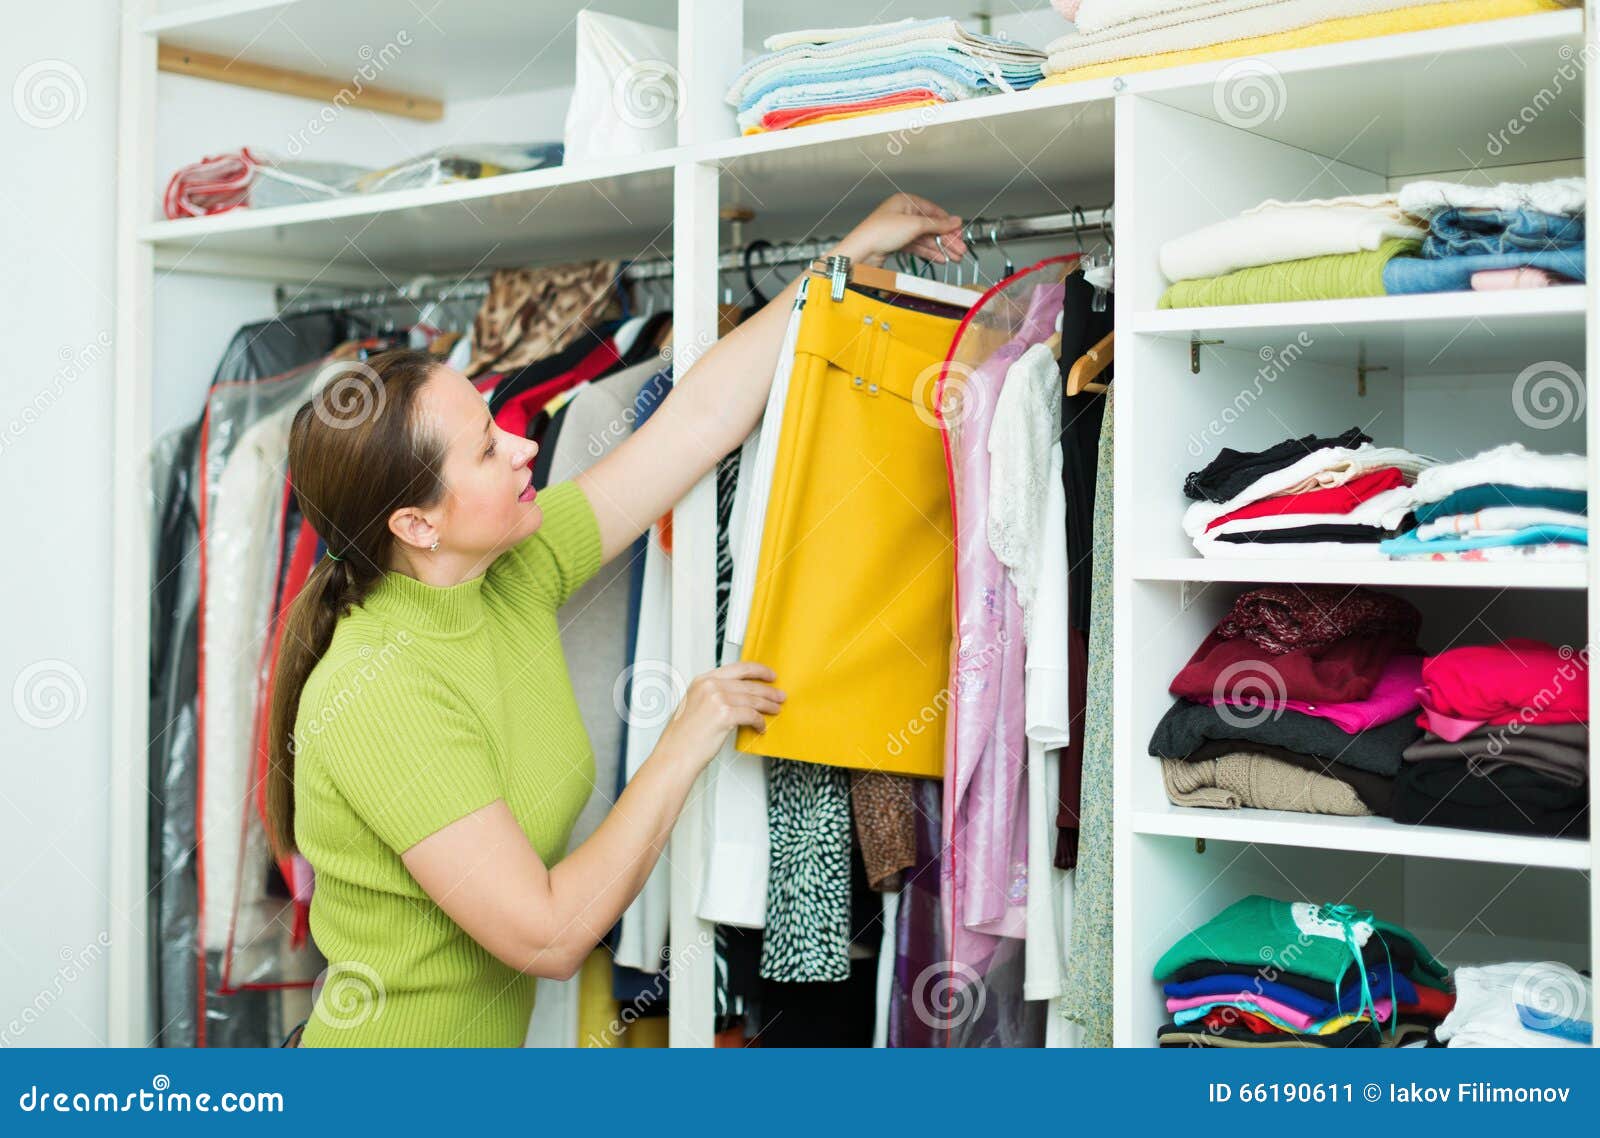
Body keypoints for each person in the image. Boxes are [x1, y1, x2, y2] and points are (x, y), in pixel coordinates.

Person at [264, 193, 971, 1046]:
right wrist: (684, 740)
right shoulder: (381, 692)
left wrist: (844, 261)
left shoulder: (509, 572)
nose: (525, 445)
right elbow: (550, 936)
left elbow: (698, 423)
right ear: (416, 525)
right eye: (487, 449)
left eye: (496, 424)